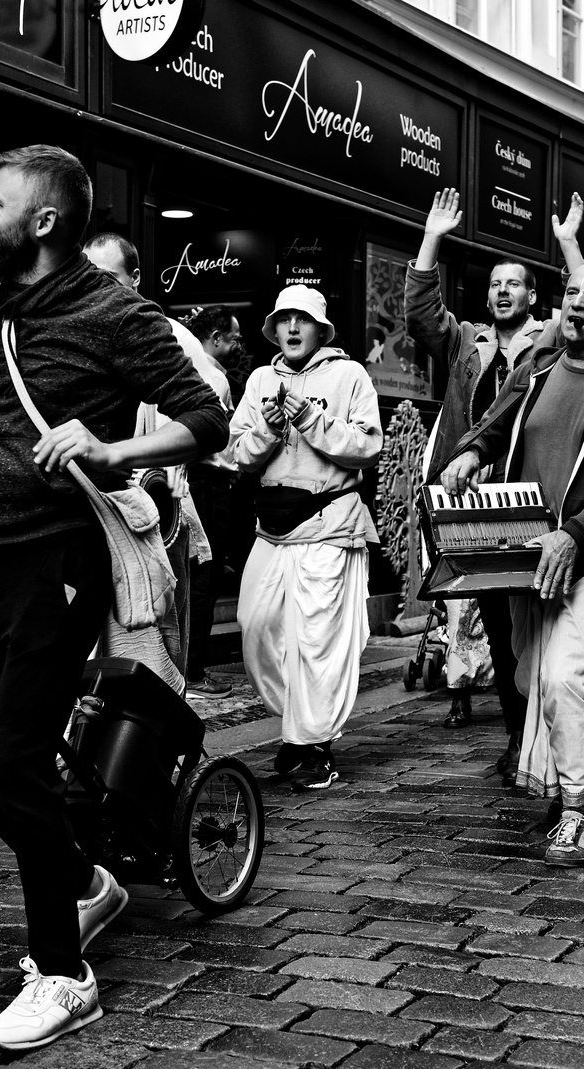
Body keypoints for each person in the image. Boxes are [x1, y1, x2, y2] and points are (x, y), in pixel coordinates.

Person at [0, 145, 226, 1051]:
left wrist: (111, 450)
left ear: (44, 219)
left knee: (16, 756)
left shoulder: (113, 312)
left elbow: (207, 420)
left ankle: (64, 974)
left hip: (59, 555)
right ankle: (86, 881)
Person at [439, 261, 584, 868]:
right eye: (572, 292)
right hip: (523, 556)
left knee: (565, 677)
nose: (578, 303)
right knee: (531, 678)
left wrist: (574, 535)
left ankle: (577, 808)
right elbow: (492, 427)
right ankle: (567, 770)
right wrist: (469, 454)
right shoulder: (535, 368)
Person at [232, 285, 382, 791]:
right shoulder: (259, 379)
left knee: (317, 639)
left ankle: (313, 743)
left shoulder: (350, 375)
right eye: (284, 319)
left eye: (303, 319)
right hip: (272, 525)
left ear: (321, 329)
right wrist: (269, 430)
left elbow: (367, 447)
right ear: (274, 329)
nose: (293, 327)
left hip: (330, 521)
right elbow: (237, 454)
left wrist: (310, 418)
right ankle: (300, 722)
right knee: (255, 625)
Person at [405, 188, 537, 751]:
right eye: (495, 284)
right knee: (495, 622)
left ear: (532, 295)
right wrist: (432, 239)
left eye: (514, 284)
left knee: (531, 623)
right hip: (470, 504)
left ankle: (536, 731)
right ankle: (516, 734)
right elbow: (421, 316)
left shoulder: (549, 344)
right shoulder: (464, 341)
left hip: (528, 500)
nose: (502, 291)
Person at [82, 232, 230, 677]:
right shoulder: (79, 326)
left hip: (157, 496)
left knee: (157, 618)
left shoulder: (171, 334)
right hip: (90, 500)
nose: (98, 287)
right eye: (89, 276)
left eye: (109, 277)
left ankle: (154, 702)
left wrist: (169, 463)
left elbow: (207, 409)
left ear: (136, 278)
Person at [182, 306, 244, 698]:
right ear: (216, 338)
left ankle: (184, 667)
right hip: (208, 483)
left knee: (195, 575)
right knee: (205, 576)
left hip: (197, 480)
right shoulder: (212, 378)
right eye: (235, 338)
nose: (238, 346)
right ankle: (193, 672)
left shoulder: (194, 368)